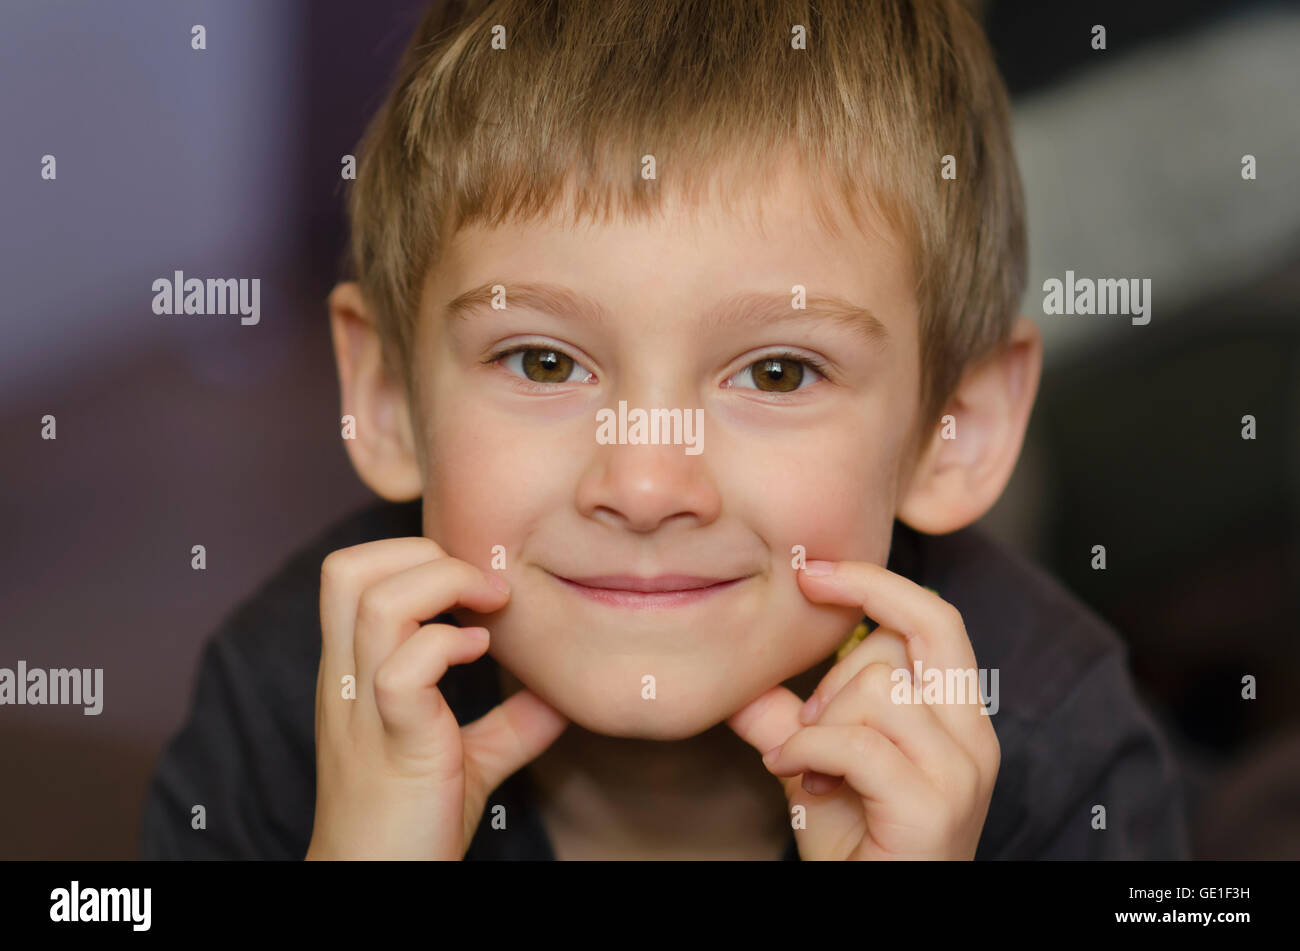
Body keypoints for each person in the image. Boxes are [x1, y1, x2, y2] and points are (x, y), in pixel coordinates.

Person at [140, 0, 1189, 860]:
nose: (645, 487)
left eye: (778, 372)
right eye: (543, 362)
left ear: (955, 427)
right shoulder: (293, 696)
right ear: (386, 399)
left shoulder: (1051, 738)